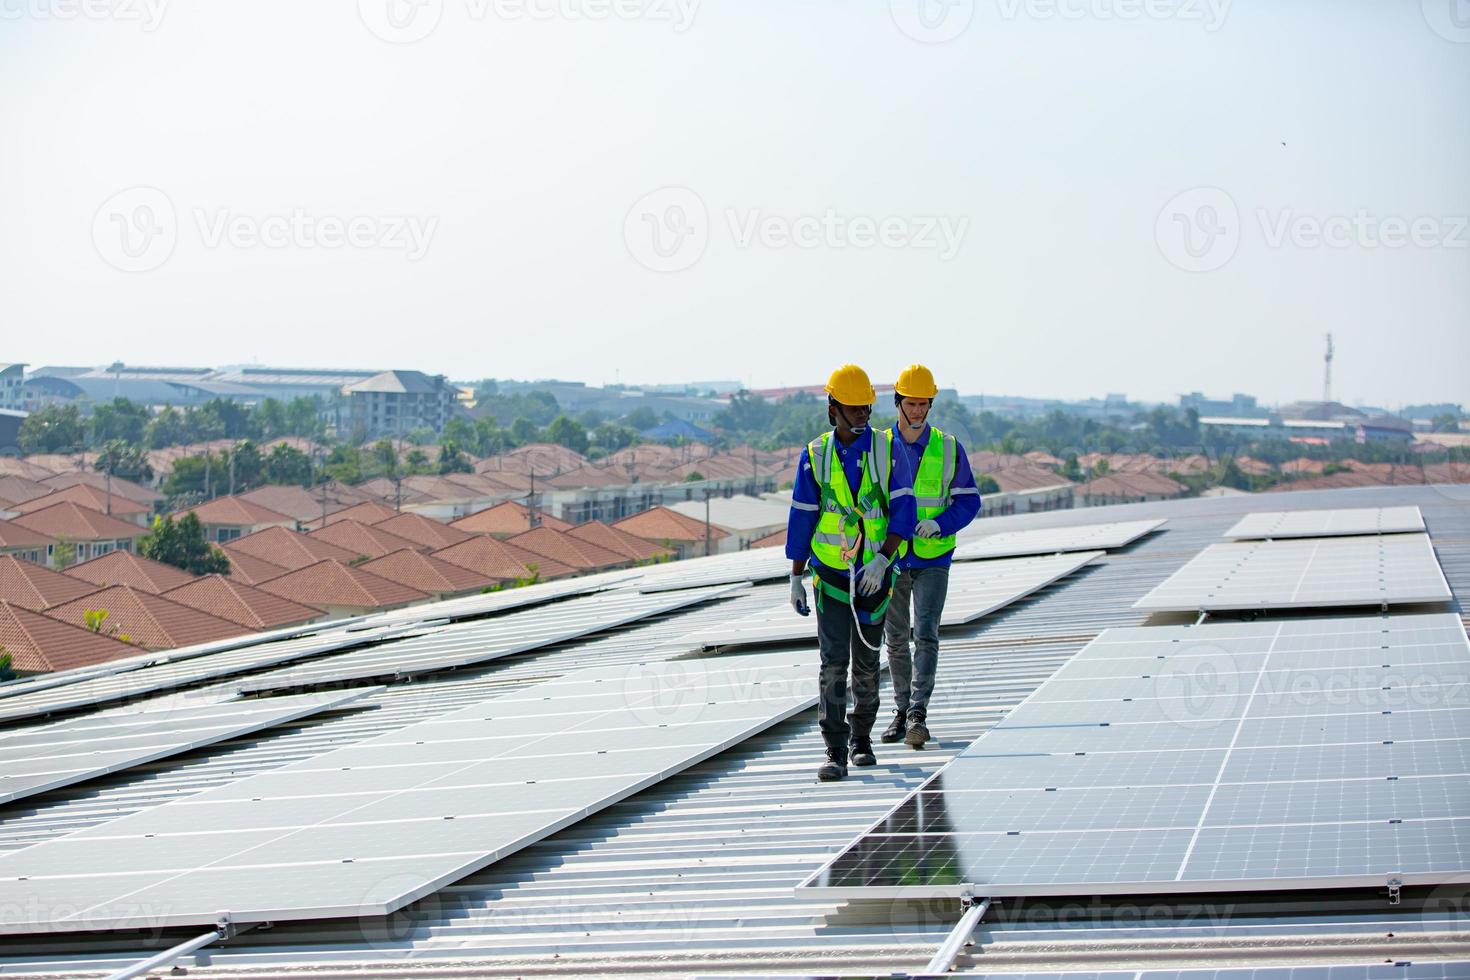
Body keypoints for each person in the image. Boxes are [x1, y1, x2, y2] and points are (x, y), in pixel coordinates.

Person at [786, 364, 916, 781]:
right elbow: (802, 516)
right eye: (854, 408)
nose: (862, 415)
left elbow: (904, 510)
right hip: (831, 576)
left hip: (874, 575)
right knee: (833, 663)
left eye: (866, 408)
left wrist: (884, 559)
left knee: (866, 662)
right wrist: (795, 576)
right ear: (833, 409)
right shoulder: (816, 455)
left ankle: (862, 739)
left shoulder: (886, 449)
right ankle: (835, 749)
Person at [880, 364, 981, 749]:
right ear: (898, 403)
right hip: (891, 558)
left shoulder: (948, 447)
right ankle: (901, 709)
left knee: (925, 633)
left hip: (933, 557)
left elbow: (969, 501)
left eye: (924, 403)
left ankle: (918, 713)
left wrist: (940, 523)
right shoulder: (879, 447)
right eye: (911, 403)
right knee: (894, 637)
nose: (918, 410)